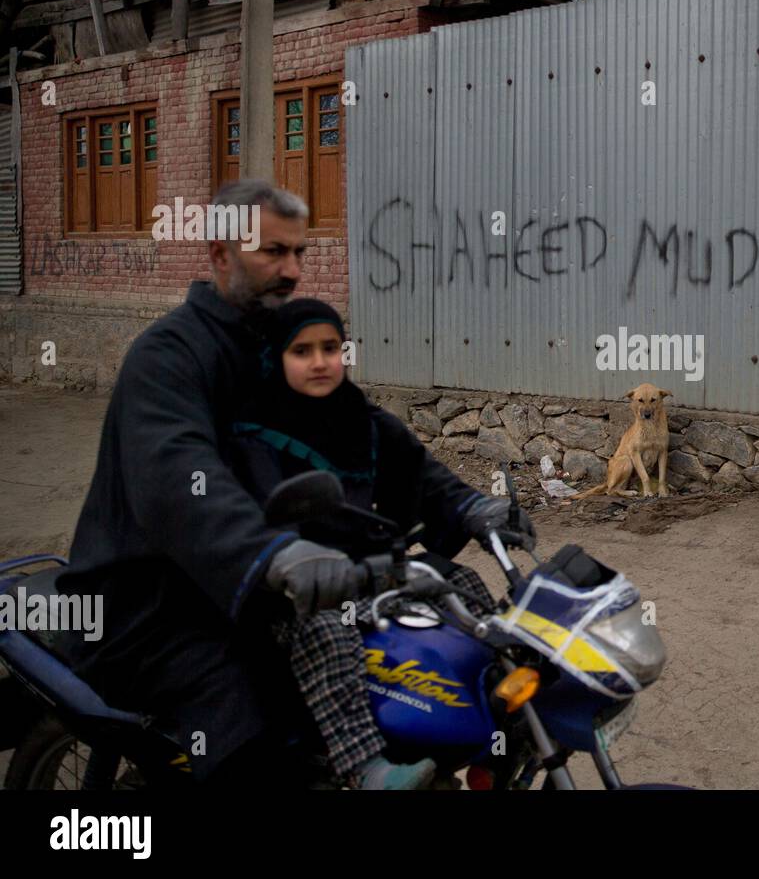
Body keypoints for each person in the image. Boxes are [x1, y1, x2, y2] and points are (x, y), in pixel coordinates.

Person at [58, 179, 532, 785]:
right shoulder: (170, 356)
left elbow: (372, 434)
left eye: (298, 253)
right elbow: (178, 477)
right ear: (220, 255)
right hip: (156, 606)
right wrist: (273, 553)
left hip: (266, 587)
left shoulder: (280, 348)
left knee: (432, 650)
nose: (290, 270)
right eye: (271, 252)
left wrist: (467, 504)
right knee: (262, 737)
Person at [230, 298, 514, 789]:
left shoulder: (362, 419)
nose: (319, 361)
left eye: (330, 348)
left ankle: (494, 737)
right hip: (281, 589)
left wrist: (475, 510)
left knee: (460, 584)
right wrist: (287, 558)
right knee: (326, 628)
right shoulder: (254, 431)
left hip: (364, 574)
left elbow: (425, 476)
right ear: (277, 358)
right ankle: (365, 769)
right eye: (301, 351)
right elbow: (236, 521)